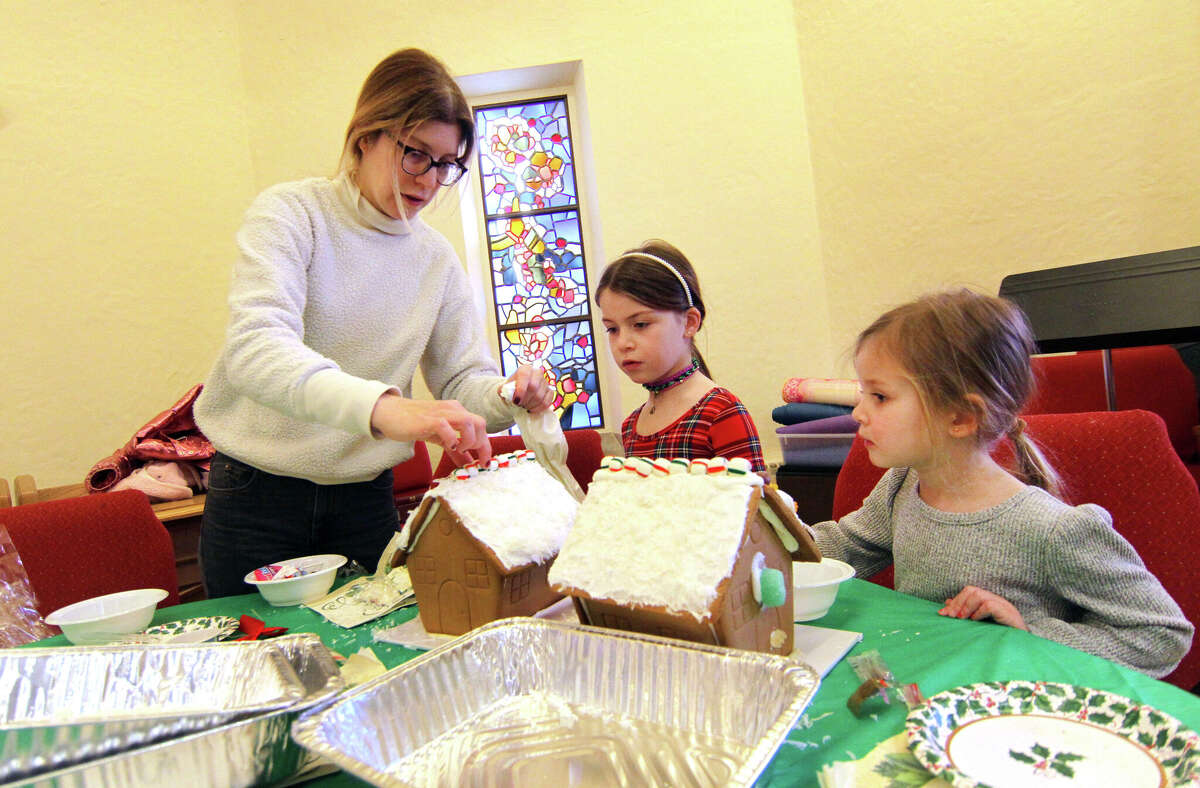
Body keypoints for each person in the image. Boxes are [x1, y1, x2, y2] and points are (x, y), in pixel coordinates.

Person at [194, 49, 553, 598]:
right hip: (256, 498)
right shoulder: (293, 214)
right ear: (366, 136)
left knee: (379, 660)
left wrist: (507, 392)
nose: (430, 180)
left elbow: (458, 383)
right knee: (261, 668)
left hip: (364, 499)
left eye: (446, 164)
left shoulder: (435, 260)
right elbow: (256, 350)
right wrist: (387, 409)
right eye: (416, 155)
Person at [809, 288, 1192, 677]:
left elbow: (1161, 634)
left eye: (879, 396)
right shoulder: (903, 483)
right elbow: (845, 547)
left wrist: (1029, 632)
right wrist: (765, 531)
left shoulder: (1056, 529)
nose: (858, 412)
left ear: (960, 416)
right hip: (929, 684)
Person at [594, 240, 765, 472]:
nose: (623, 343)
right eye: (612, 329)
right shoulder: (631, 426)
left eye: (641, 324)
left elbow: (753, 504)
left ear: (689, 322)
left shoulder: (721, 414)